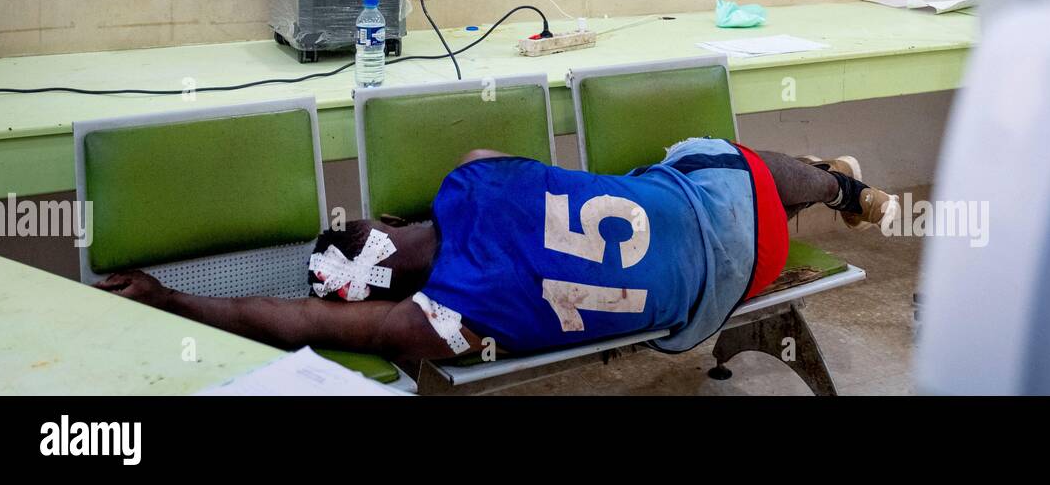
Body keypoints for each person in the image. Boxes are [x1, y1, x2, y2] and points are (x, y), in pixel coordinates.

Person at [96, 140, 896, 375]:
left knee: (740, 199)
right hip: (712, 196)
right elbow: (318, 308)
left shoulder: (442, 327)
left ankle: (825, 189)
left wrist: (173, 300)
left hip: (731, 276)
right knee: (737, 169)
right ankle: (834, 185)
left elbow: (303, 320)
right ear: (386, 223)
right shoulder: (475, 176)